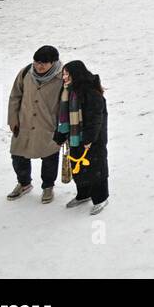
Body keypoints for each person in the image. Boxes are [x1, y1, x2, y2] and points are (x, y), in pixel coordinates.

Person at [6, 46, 64, 203]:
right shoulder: (26, 73)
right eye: (36, 62)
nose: (38, 66)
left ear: (54, 63)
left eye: (43, 64)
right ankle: (24, 183)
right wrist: (13, 119)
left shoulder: (63, 77)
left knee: (50, 157)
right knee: (17, 155)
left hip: (48, 126)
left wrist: (64, 127)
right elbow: (15, 96)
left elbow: (68, 103)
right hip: (24, 123)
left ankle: (48, 187)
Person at [55, 60, 109, 215]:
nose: (64, 77)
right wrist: (60, 136)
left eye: (67, 74)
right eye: (63, 74)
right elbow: (62, 117)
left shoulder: (91, 93)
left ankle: (101, 198)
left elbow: (95, 119)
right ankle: (83, 194)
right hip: (74, 138)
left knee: (95, 167)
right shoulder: (67, 91)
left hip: (92, 139)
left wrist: (88, 139)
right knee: (78, 166)